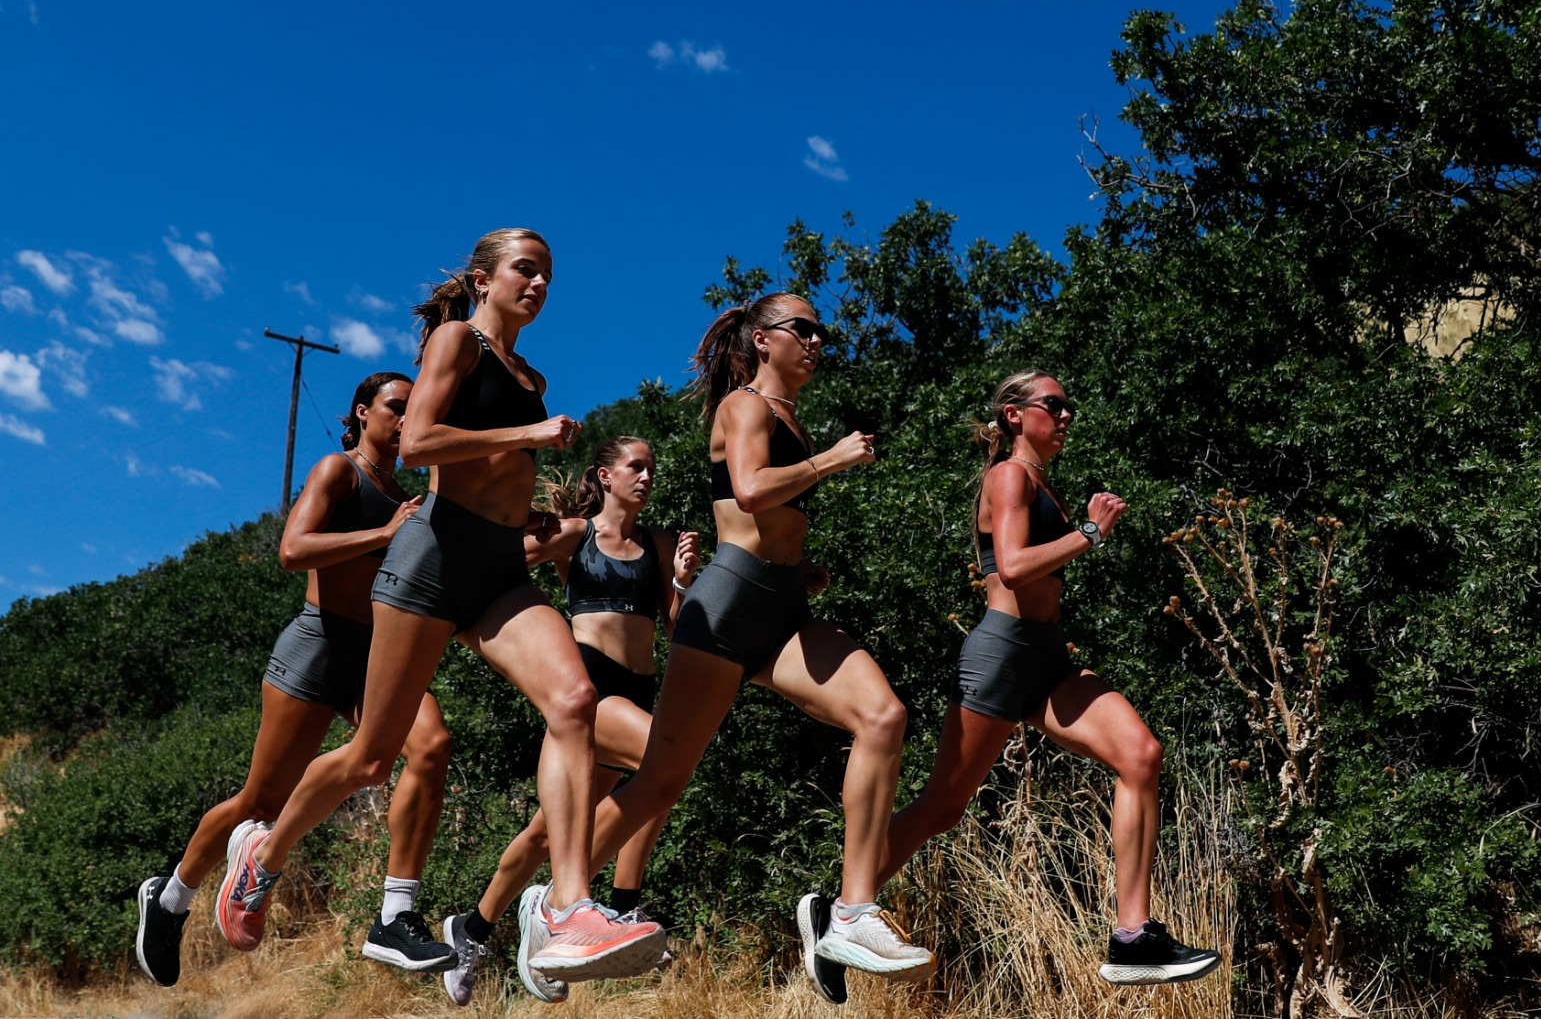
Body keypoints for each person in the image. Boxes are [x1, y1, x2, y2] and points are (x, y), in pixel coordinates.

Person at [211, 228, 664, 983]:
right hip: (432, 559)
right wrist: (531, 432)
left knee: (576, 698)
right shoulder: (459, 341)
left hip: (495, 570)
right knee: (371, 757)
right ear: (484, 279)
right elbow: (418, 440)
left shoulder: (529, 373)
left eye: (548, 273)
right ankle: (264, 852)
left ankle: (565, 907)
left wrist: (534, 517)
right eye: (526, 269)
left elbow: (492, 468)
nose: (540, 283)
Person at [562, 293, 930, 1004]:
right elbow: (752, 491)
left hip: (783, 605)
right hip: (725, 606)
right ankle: (556, 902)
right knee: (661, 779)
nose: (819, 340)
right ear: (764, 340)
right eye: (804, 328)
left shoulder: (789, 415)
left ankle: (851, 912)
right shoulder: (745, 407)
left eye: (823, 330)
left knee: (884, 716)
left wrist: (800, 567)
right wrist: (832, 459)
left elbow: (771, 518)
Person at [869, 371, 1221, 986]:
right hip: (1002, 653)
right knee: (942, 808)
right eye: (1053, 405)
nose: (1065, 416)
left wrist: (1079, 526)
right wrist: (1089, 534)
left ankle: (1133, 936)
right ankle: (845, 907)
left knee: (1141, 755)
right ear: (1013, 415)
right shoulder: (1007, 475)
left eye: (1069, 408)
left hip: (1049, 657)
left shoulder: (1045, 487)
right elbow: (1010, 568)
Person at [136, 371, 457, 985]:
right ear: (362, 412)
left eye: (416, 409)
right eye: (396, 406)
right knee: (258, 801)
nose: (405, 417)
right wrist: (385, 533)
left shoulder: (409, 499)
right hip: (318, 645)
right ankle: (171, 898)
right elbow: (292, 549)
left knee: (431, 746)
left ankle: (395, 914)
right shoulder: (340, 472)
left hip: (378, 656)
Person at [439, 435, 699, 1006]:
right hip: (589, 688)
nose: (647, 476)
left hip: (637, 689)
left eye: (651, 468)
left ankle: (472, 931)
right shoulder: (577, 535)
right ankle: (614, 902)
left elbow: (677, 630)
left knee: (542, 834)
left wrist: (681, 580)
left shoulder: (657, 543)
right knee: (666, 760)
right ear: (605, 477)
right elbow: (498, 555)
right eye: (636, 466)